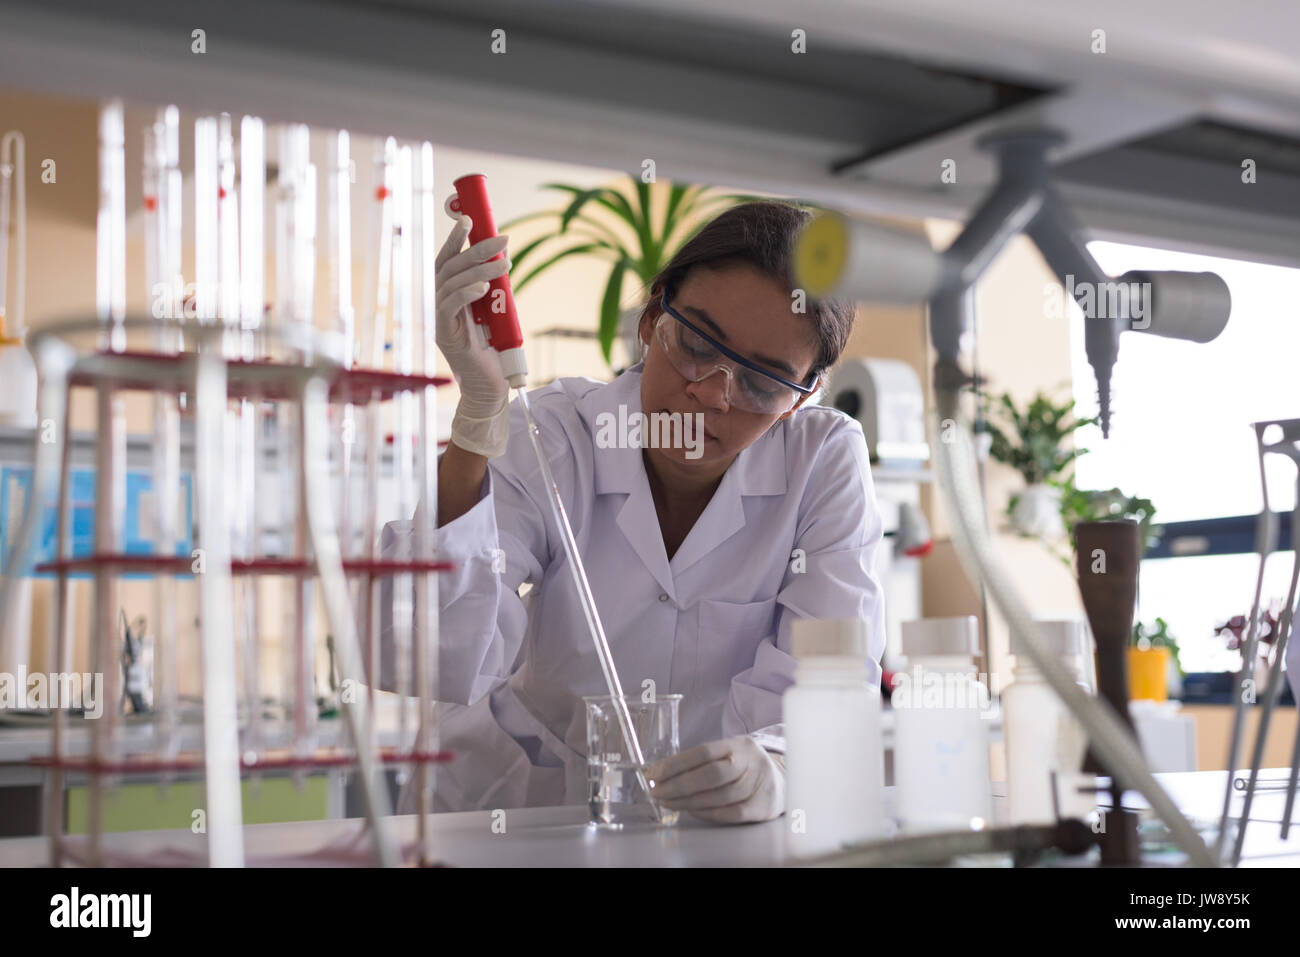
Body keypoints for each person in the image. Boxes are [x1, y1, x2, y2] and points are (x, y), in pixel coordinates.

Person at [381, 199, 886, 823]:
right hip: (506, 814)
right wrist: (475, 423)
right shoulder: (554, 434)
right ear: (652, 320)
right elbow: (421, 652)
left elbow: (832, 680)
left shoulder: (822, 461)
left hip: (706, 825)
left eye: (761, 383)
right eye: (698, 343)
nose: (712, 395)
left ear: (800, 399)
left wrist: (779, 765)